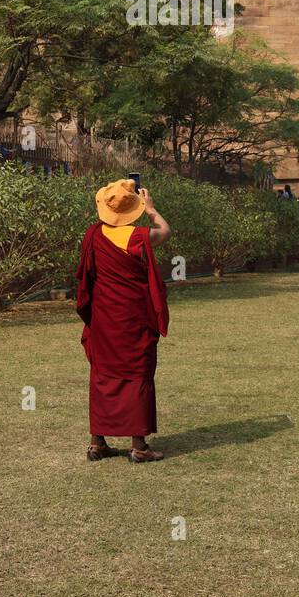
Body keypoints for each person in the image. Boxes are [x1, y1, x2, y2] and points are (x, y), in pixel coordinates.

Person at [76, 178, 171, 463]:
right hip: (132, 317)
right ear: (135, 208)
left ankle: (97, 443)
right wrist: (152, 210)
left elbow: (86, 279)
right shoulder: (138, 237)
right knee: (137, 374)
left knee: (102, 374)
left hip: (104, 317)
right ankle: (139, 446)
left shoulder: (93, 235)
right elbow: (165, 231)